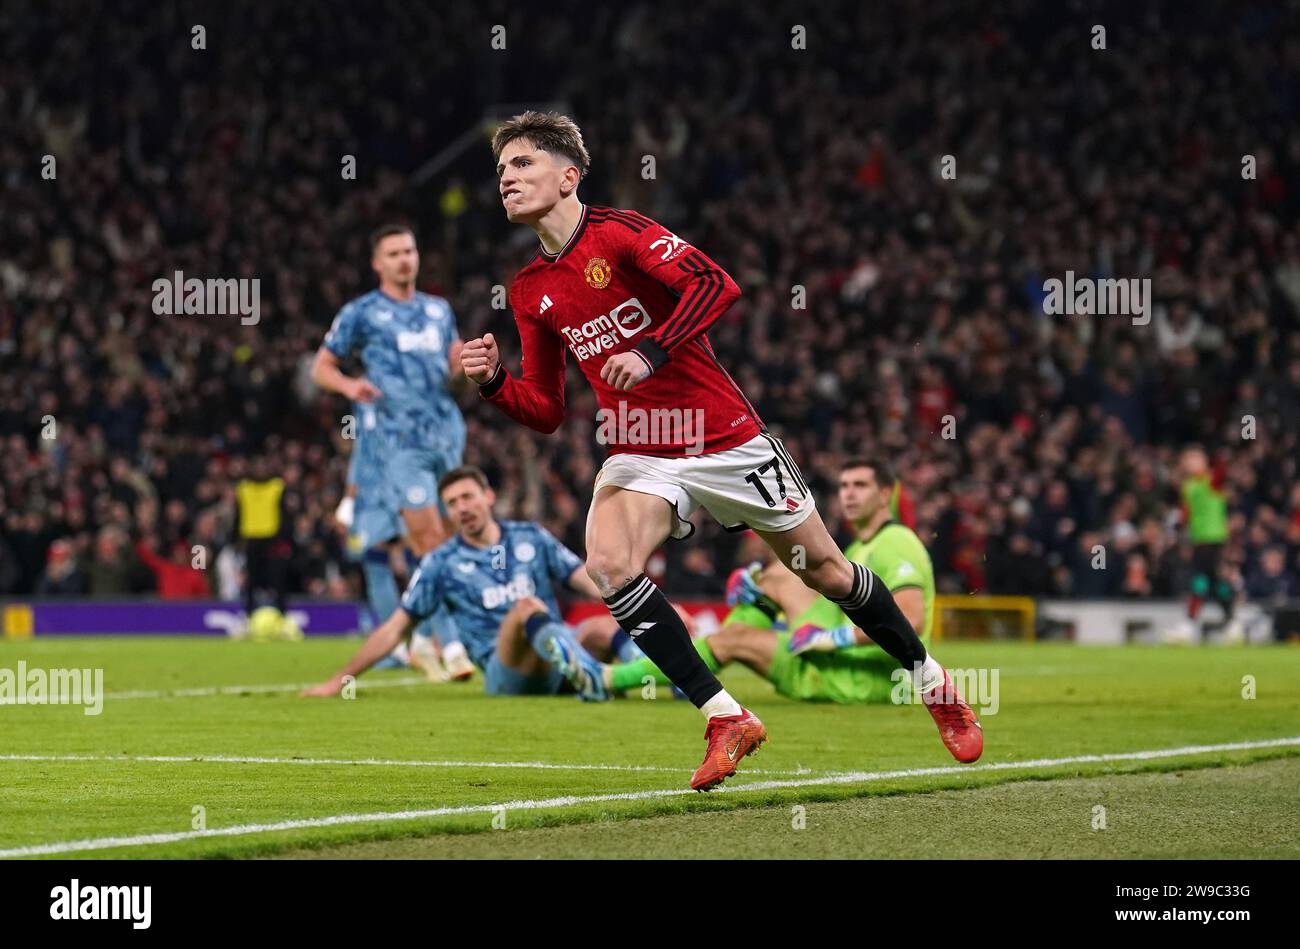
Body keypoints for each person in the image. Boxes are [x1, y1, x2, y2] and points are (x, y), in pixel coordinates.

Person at [462, 111, 981, 790]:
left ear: (569, 175)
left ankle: (931, 680)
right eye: (501, 169)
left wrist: (648, 352)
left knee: (826, 569)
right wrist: (497, 383)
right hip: (641, 448)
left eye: (522, 163)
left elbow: (715, 283)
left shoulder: (620, 233)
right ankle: (725, 714)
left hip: (724, 435)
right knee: (610, 563)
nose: (507, 177)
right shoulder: (531, 290)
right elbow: (550, 412)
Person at [577, 460, 935, 706]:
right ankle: (705, 653)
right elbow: (825, 600)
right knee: (774, 577)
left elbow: (912, 620)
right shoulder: (860, 545)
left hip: (859, 682)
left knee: (731, 638)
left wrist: (832, 638)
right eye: (844, 486)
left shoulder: (897, 541)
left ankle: (610, 679)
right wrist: (762, 585)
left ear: (886, 493)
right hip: (835, 664)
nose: (849, 494)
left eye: (861, 485)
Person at [302, 466, 609, 699]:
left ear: (488, 497)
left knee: (602, 628)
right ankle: (591, 673)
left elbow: (585, 580)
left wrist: (632, 596)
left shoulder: (531, 536)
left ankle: (631, 674)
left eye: (467, 497)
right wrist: (340, 680)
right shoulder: (440, 563)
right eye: (451, 503)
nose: (461, 508)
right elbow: (395, 628)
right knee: (526, 607)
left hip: (555, 657)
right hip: (507, 674)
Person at [311, 224, 467, 560]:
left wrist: (465, 371)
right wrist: (349, 385)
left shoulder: (439, 310)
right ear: (377, 264)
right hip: (399, 439)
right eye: (394, 254)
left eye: (409, 252)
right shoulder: (361, 313)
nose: (404, 260)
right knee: (427, 540)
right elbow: (320, 368)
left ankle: (453, 609)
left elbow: (456, 379)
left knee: (456, 534)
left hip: (446, 433)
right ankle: (442, 612)